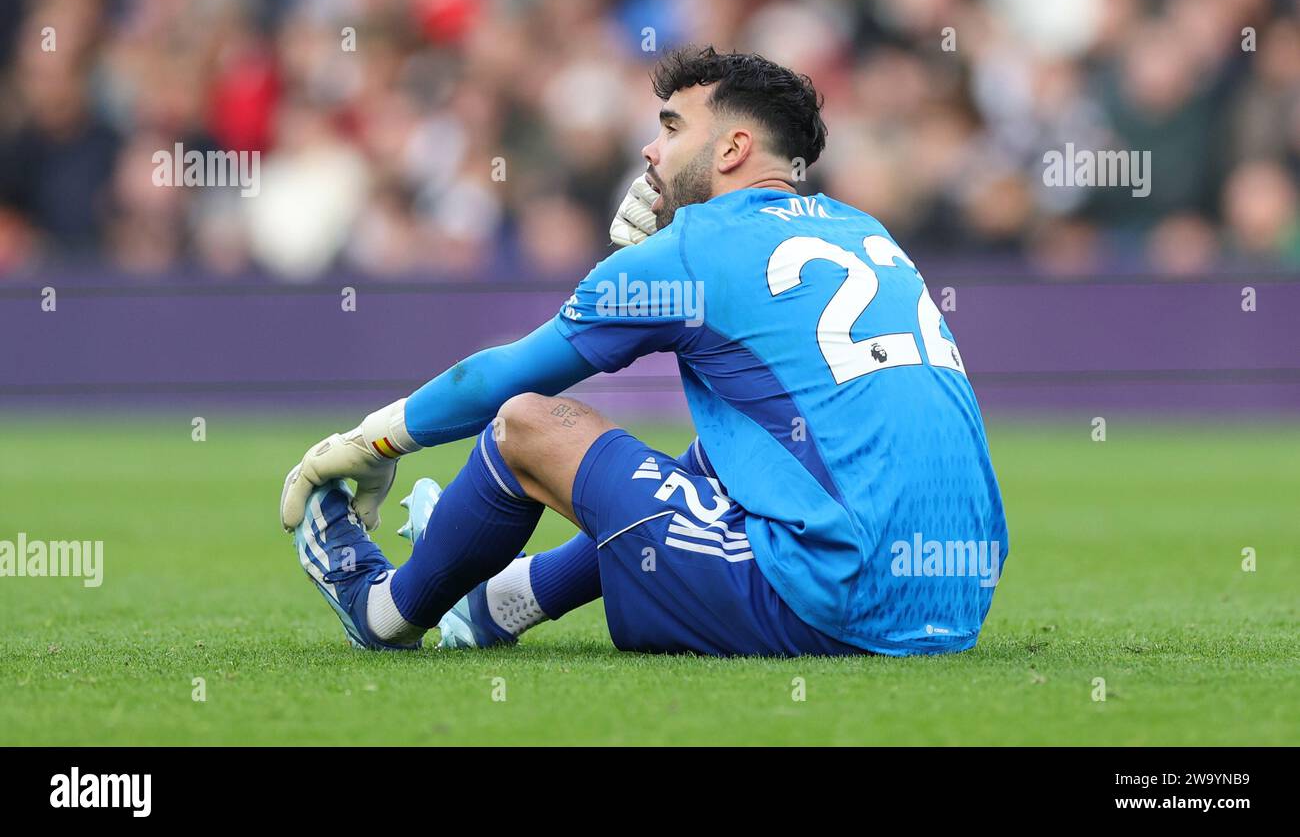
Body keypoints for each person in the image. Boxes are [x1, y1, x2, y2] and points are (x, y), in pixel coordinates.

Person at [279, 45, 1008, 657]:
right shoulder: (864, 230)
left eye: (670, 127)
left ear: (732, 148)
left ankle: (382, 610)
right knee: (729, 451)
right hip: (957, 596)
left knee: (529, 426)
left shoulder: (689, 250)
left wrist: (371, 443)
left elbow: (497, 378)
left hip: (829, 600)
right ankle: (502, 600)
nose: (649, 149)